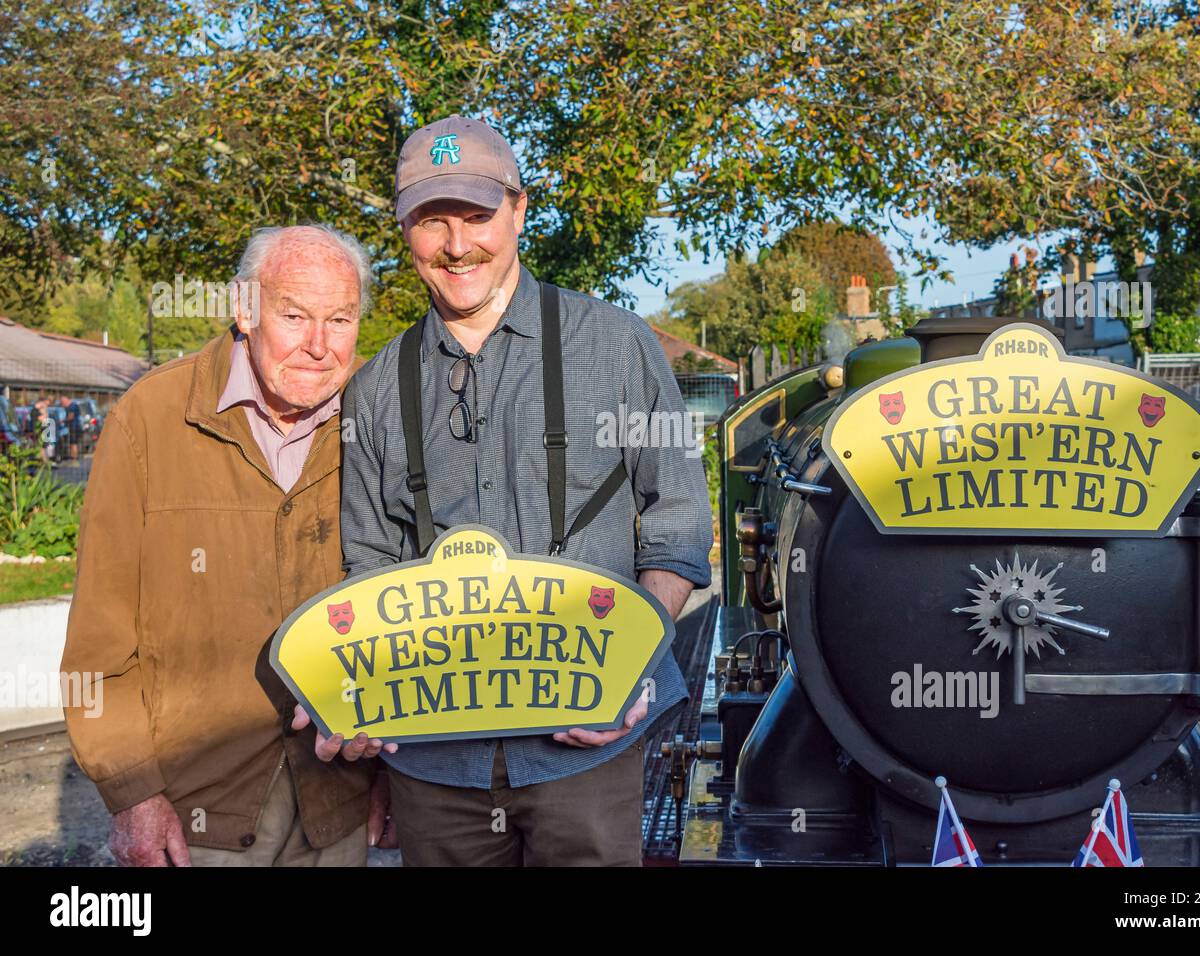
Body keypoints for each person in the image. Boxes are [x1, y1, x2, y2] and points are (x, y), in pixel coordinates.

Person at [296, 115, 714, 866]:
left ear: (519, 211)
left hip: (587, 746)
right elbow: (368, 565)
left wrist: (627, 667)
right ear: (404, 231)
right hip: (435, 762)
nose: (458, 246)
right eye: (432, 221)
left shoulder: (619, 345)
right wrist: (347, 695)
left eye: (478, 216)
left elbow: (678, 526)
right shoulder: (375, 389)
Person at [62, 224, 387, 866]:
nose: (319, 346)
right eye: (294, 315)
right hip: (195, 815)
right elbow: (98, 644)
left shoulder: (378, 423)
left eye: (340, 319)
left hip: (336, 805)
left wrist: (390, 779)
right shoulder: (150, 418)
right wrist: (132, 797)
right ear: (244, 309)